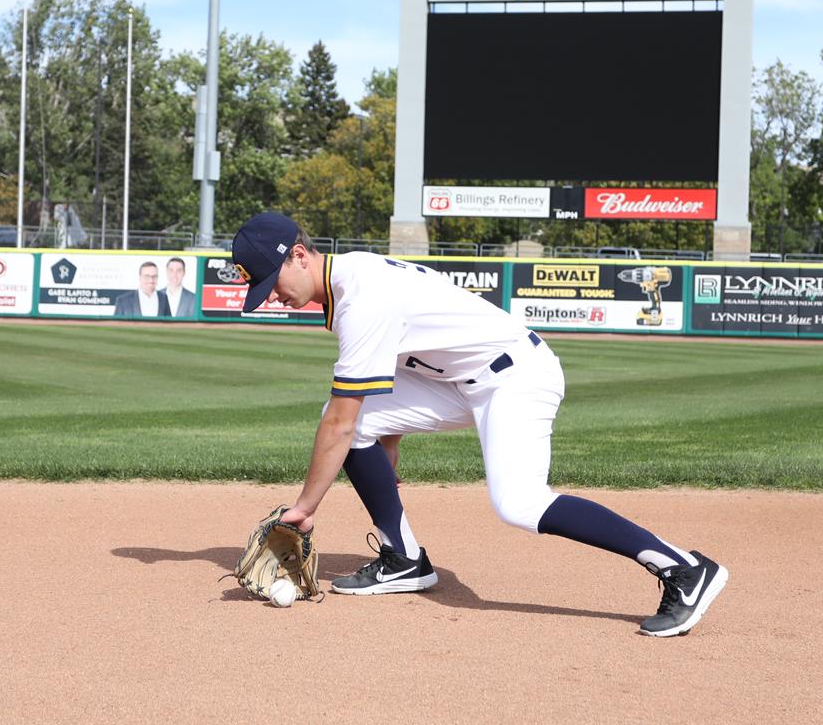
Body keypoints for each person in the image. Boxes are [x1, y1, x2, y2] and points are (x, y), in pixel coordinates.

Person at [231, 210, 727, 637]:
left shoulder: (361, 297)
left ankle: (684, 567)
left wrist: (304, 508)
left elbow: (342, 423)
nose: (271, 295)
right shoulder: (351, 280)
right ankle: (403, 559)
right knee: (357, 422)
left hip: (516, 378)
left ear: (299, 255)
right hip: (461, 381)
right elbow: (405, 352)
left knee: (519, 503)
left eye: (271, 282)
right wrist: (390, 433)